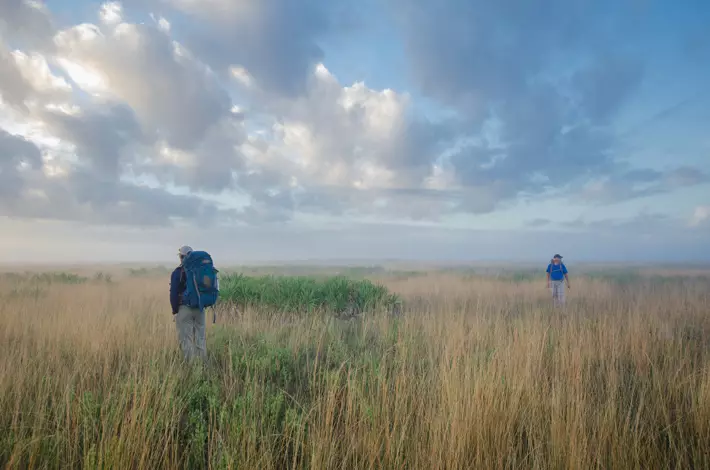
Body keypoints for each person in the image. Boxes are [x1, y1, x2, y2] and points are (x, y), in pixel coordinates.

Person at [170, 245, 206, 361]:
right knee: (200, 338)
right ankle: (202, 367)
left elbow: (173, 294)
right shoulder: (201, 271)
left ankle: (191, 368)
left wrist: (175, 311)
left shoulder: (178, 272)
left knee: (186, 340)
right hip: (200, 309)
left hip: (184, 309)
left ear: (182, 257)